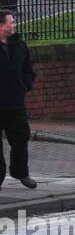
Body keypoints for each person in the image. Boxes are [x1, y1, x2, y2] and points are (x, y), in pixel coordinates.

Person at [0, 10, 37, 190]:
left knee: (21, 137)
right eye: (11, 22)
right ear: (1, 26)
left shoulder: (19, 45)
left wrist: (25, 85)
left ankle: (21, 172)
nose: (14, 25)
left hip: (15, 102)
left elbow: (28, 69)